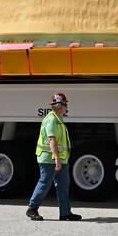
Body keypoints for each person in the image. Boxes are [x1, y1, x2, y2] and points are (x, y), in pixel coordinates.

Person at [26, 92, 81, 221]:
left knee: (63, 185)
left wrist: (60, 159)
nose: (66, 107)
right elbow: (52, 140)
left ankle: (65, 213)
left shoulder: (58, 119)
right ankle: (32, 208)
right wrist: (56, 158)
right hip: (49, 158)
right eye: (65, 104)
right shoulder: (51, 119)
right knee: (45, 182)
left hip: (60, 159)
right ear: (58, 105)